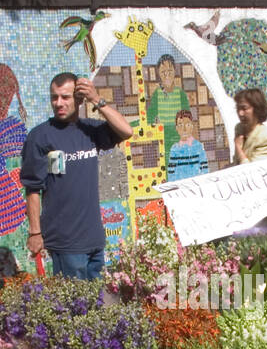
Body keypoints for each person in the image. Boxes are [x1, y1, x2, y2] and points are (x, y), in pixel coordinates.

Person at [21, 72, 134, 281]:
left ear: (79, 99)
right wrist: (35, 232)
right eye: (54, 97)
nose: (59, 103)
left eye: (65, 97)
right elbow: (33, 188)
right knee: (75, 307)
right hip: (65, 241)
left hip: (94, 239)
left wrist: (96, 99)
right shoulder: (40, 137)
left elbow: (127, 131)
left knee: (97, 305)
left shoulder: (90, 130)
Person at [147, 54, 190, 171]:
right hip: (164, 134)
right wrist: (154, 124)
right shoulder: (157, 94)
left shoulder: (180, 94)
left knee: (181, 162)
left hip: (179, 133)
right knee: (167, 164)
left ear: (174, 71)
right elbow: (150, 114)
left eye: (169, 71)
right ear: (159, 74)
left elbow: (188, 116)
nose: (166, 75)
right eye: (163, 72)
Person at [232, 88, 267, 164]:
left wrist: (238, 148)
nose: (240, 113)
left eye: (244, 108)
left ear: (257, 109)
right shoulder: (239, 129)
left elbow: (254, 172)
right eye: (238, 108)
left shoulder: (265, 136)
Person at [166, 109, 209, 182]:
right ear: (176, 128)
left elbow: (205, 169)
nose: (184, 129)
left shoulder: (198, 147)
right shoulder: (174, 149)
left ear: (192, 126)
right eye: (180, 125)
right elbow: (171, 174)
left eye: (188, 125)